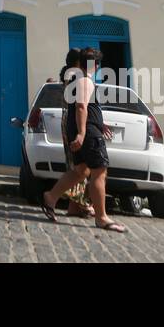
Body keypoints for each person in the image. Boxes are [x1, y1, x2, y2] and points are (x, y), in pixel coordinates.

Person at [40, 47, 126, 233]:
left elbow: (85, 107)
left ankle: (51, 197)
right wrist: (82, 133)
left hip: (84, 129)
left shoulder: (77, 80)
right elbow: (81, 107)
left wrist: (97, 123)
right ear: (95, 65)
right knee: (99, 172)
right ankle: (101, 217)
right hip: (87, 132)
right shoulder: (85, 81)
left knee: (81, 170)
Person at [56, 50, 94, 219]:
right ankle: (81, 203)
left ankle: (75, 204)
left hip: (67, 121)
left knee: (75, 164)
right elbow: (80, 105)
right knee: (79, 165)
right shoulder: (76, 77)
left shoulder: (68, 75)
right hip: (73, 122)